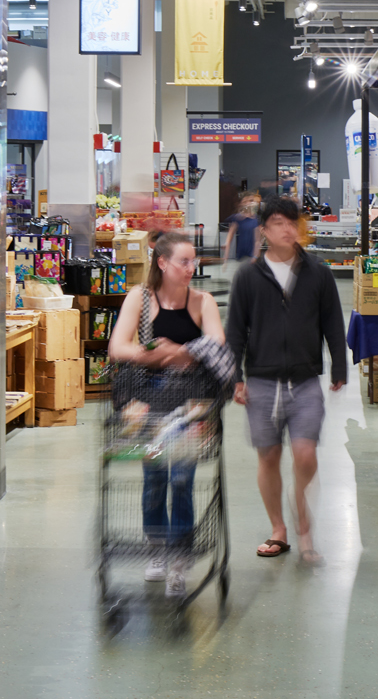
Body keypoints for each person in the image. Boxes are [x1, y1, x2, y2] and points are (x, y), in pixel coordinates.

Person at [225, 194, 347, 566]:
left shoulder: (318, 272)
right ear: (263, 230)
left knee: (305, 454)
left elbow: (332, 322)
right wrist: (235, 377)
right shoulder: (248, 275)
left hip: (305, 379)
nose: (288, 229)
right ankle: (279, 529)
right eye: (279, 223)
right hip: (261, 380)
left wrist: (339, 366)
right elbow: (235, 331)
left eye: (292, 223)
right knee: (269, 456)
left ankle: (304, 525)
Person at [107, 230, 227, 598]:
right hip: (146, 404)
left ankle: (180, 556)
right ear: (162, 263)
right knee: (155, 478)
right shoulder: (140, 299)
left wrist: (174, 348)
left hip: (191, 405)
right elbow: (117, 347)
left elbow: (217, 346)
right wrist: (158, 355)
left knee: (182, 478)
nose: (192, 267)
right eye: (184, 261)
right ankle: (157, 548)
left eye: (194, 261)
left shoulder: (203, 301)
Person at [222, 195, 261, 267]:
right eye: (245, 201)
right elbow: (229, 237)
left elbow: (257, 240)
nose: (248, 203)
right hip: (241, 255)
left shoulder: (256, 220)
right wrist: (225, 259)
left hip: (251, 255)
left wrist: (255, 256)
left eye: (251, 201)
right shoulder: (237, 218)